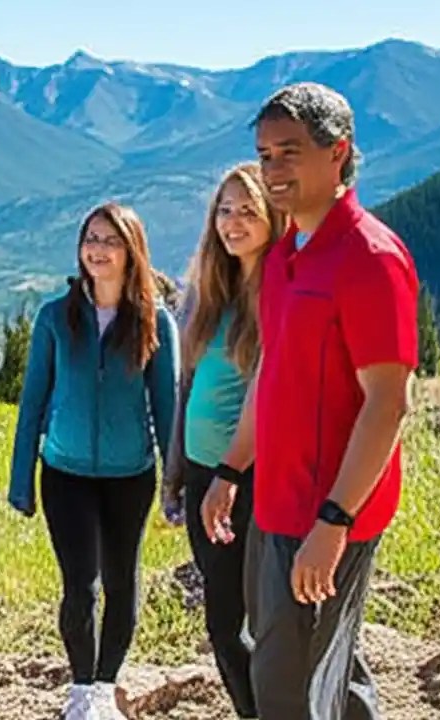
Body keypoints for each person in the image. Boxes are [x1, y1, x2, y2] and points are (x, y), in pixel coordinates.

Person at [208, 81, 418, 719]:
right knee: (322, 666)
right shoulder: (285, 257)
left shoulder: (371, 258)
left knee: (288, 686)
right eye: (265, 154)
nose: (273, 169)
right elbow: (274, 375)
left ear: (338, 153)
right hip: (276, 501)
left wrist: (334, 521)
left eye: (289, 152)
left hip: (326, 511)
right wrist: (230, 466)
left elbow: (389, 402)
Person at [8, 203, 179, 720]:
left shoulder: (155, 320)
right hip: (65, 473)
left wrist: (176, 485)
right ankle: (82, 689)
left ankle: (106, 685)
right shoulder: (55, 318)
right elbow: (33, 399)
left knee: (123, 582)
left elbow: (167, 406)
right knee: (80, 586)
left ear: (132, 252)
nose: (98, 250)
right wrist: (21, 480)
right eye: (91, 239)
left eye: (110, 240)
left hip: (131, 474)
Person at [161, 163, 285, 718]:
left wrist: (231, 478)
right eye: (225, 210)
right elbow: (188, 391)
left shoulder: (279, 290)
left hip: (249, 478)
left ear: (272, 217)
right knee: (221, 622)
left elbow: (272, 395)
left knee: (258, 619)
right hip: (202, 470)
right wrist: (176, 474)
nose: (232, 222)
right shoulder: (209, 292)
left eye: (247, 211)